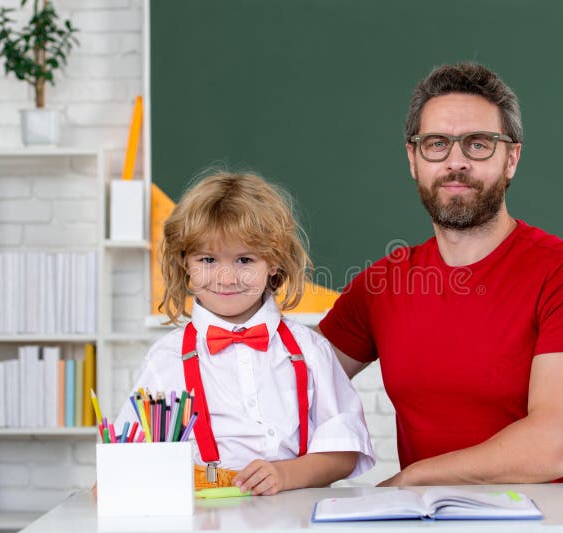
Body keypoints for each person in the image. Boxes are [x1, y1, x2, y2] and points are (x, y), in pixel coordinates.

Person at [318, 62, 563, 485]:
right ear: (413, 158)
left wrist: (411, 480)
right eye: (436, 144)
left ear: (511, 158)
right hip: (431, 519)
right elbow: (290, 380)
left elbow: (560, 445)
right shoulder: (381, 283)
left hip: (552, 521)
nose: (455, 161)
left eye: (478, 144)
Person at [115, 171, 374, 496]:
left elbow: (344, 452)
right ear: (185, 264)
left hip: (298, 518)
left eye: (244, 260)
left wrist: (287, 474)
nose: (226, 277)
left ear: (275, 263)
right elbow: (129, 452)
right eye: (208, 259)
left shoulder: (310, 350)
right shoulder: (165, 359)